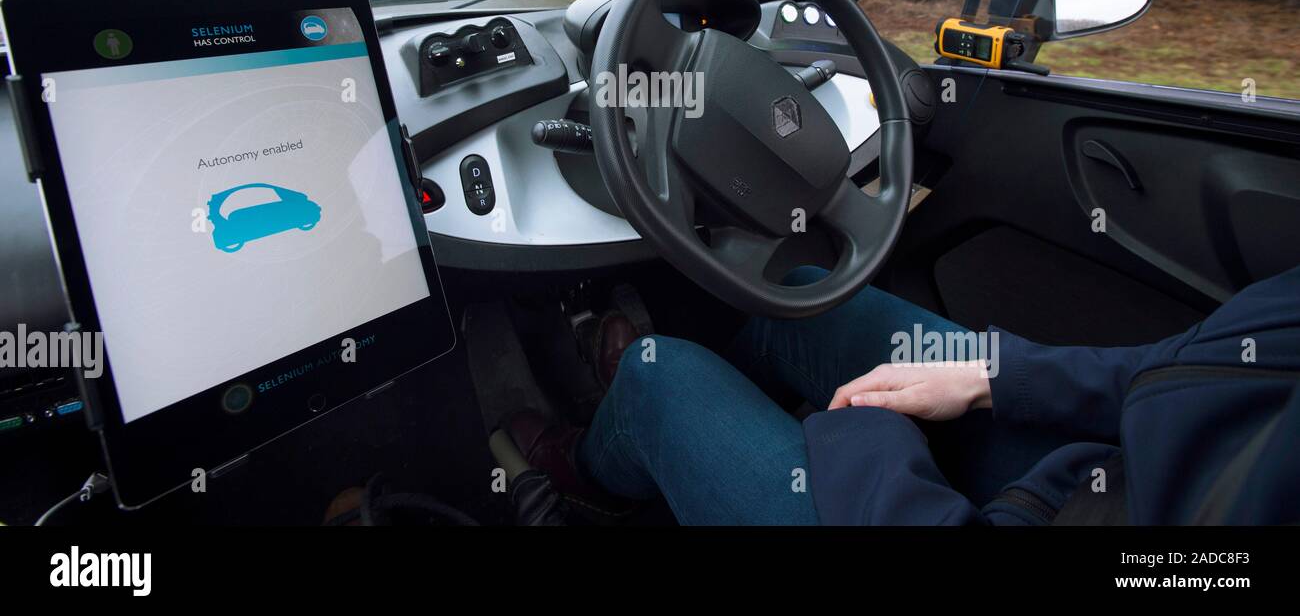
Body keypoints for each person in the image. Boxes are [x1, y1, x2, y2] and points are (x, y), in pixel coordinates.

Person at [505, 265, 1300, 525]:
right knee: (813, 298)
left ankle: (586, 469)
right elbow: (1200, 367)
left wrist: (865, 440)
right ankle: (711, 448)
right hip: (1103, 469)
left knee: (654, 372)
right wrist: (998, 375)